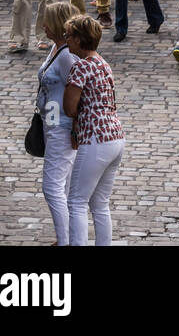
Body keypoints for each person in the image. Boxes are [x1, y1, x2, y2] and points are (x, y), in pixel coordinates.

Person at [63, 14, 125, 247]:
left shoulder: (80, 67)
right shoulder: (102, 63)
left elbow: (69, 107)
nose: (66, 40)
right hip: (115, 137)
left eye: (68, 36)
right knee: (100, 204)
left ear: (79, 40)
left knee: (76, 202)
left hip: (95, 139)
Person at [36, 0, 78, 246]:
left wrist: (75, 128)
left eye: (47, 21)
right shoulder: (55, 49)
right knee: (64, 187)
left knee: (51, 187)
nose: (43, 25)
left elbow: (80, 93)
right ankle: (69, 237)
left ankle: (66, 242)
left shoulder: (67, 57)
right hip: (50, 124)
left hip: (61, 128)